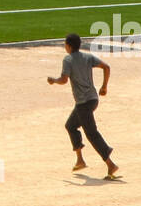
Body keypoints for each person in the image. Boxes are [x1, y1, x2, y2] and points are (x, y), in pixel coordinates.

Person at [47, 33, 120, 179]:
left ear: (69, 46)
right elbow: (106, 67)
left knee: (91, 133)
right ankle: (80, 160)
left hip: (83, 103)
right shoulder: (87, 57)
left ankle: (110, 164)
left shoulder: (68, 59)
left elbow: (64, 80)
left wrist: (54, 80)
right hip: (92, 99)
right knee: (70, 126)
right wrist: (104, 86)